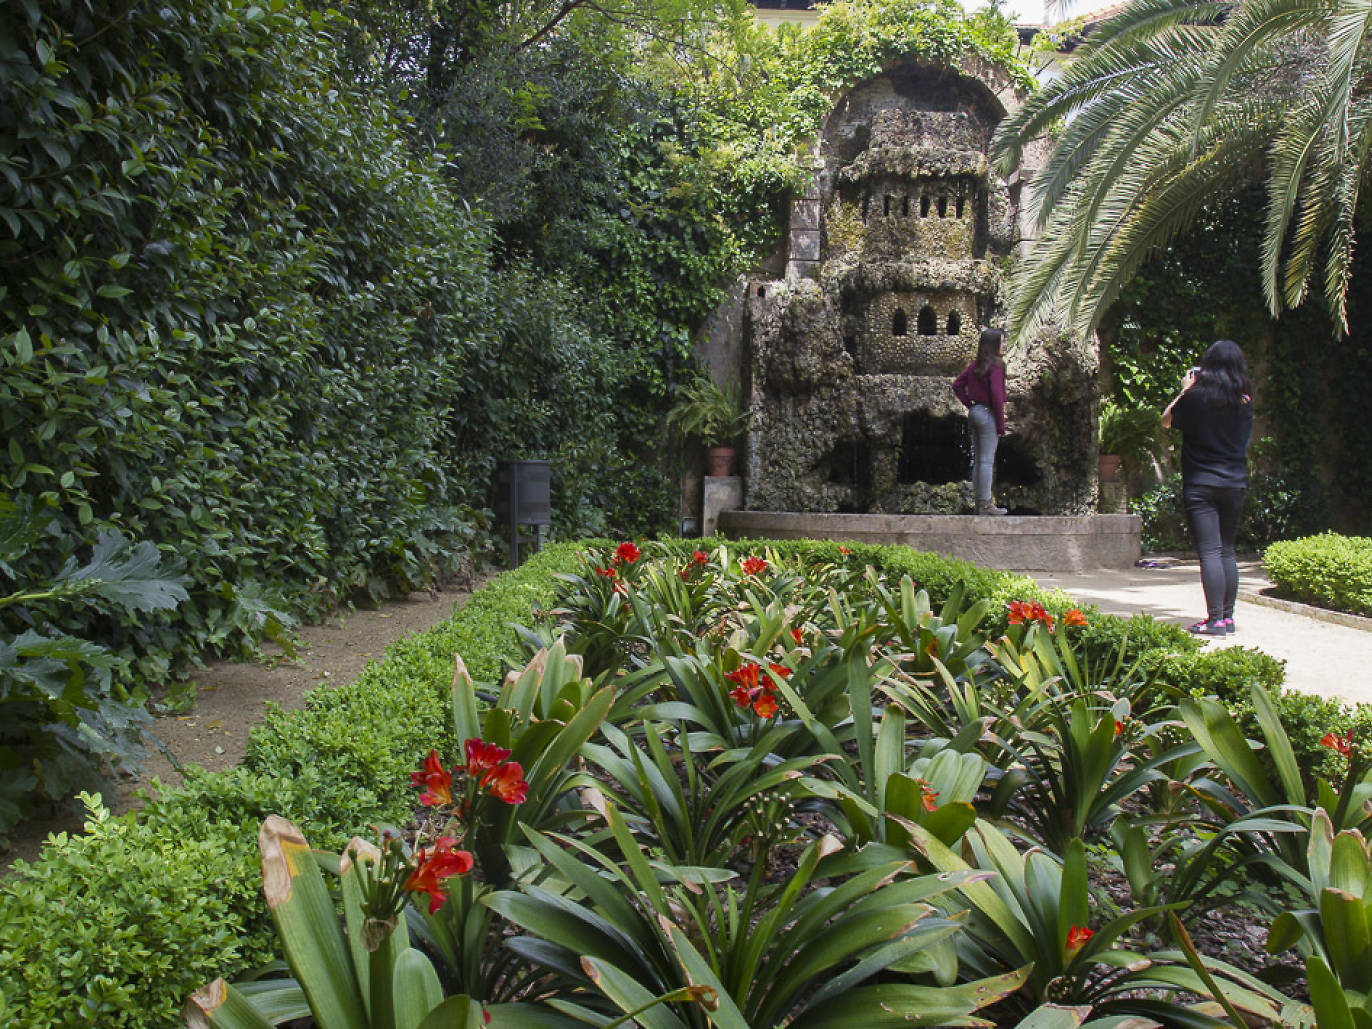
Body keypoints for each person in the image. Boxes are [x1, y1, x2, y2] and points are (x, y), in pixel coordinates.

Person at [1161, 339, 1254, 636]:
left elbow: (1166, 421)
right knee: (1226, 550)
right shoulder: (1244, 401)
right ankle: (1227, 618)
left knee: (1210, 551)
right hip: (1234, 483)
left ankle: (1214, 620)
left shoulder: (1196, 398)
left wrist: (1185, 390)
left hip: (1201, 484)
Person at [953, 327, 1008, 516]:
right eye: (1002, 341)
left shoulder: (976, 365)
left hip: (976, 412)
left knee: (978, 460)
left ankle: (979, 503)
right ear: (993, 345)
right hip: (987, 414)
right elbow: (996, 396)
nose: (1005, 345)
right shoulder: (996, 366)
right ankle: (985, 504)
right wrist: (1000, 424)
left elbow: (957, 385)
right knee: (986, 460)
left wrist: (970, 405)